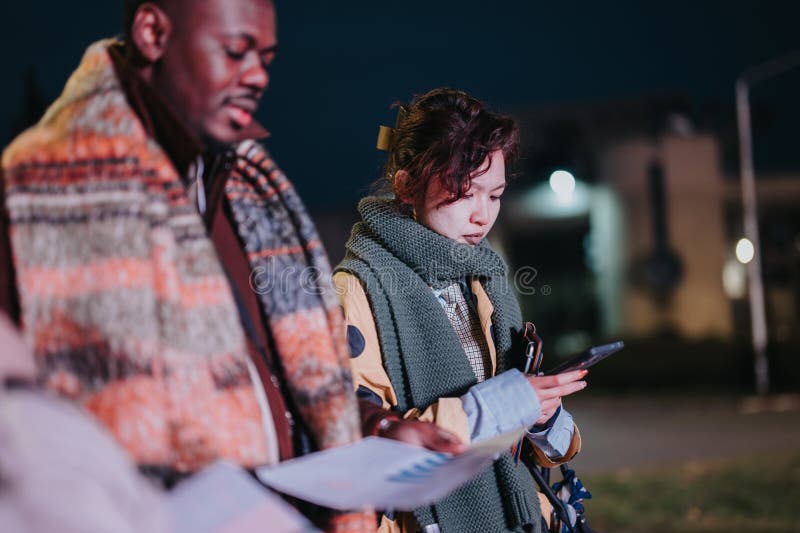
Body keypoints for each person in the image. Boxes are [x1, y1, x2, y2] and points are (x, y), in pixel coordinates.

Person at [0, 1, 459, 530]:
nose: (258, 75)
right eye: (235, 51)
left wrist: (378, 431)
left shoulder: (248, 192)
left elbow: (289, 390)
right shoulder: (40, 190)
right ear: (153, 33)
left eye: (265, 56)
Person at [334, 88, 588, 533]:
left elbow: (518, 445)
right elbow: (354, 436)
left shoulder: (484, 278)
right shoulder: (357, 288)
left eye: (495, 196)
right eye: (465, 193)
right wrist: (496, 406)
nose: (482, 216)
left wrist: (545, 418)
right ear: (407, 187)